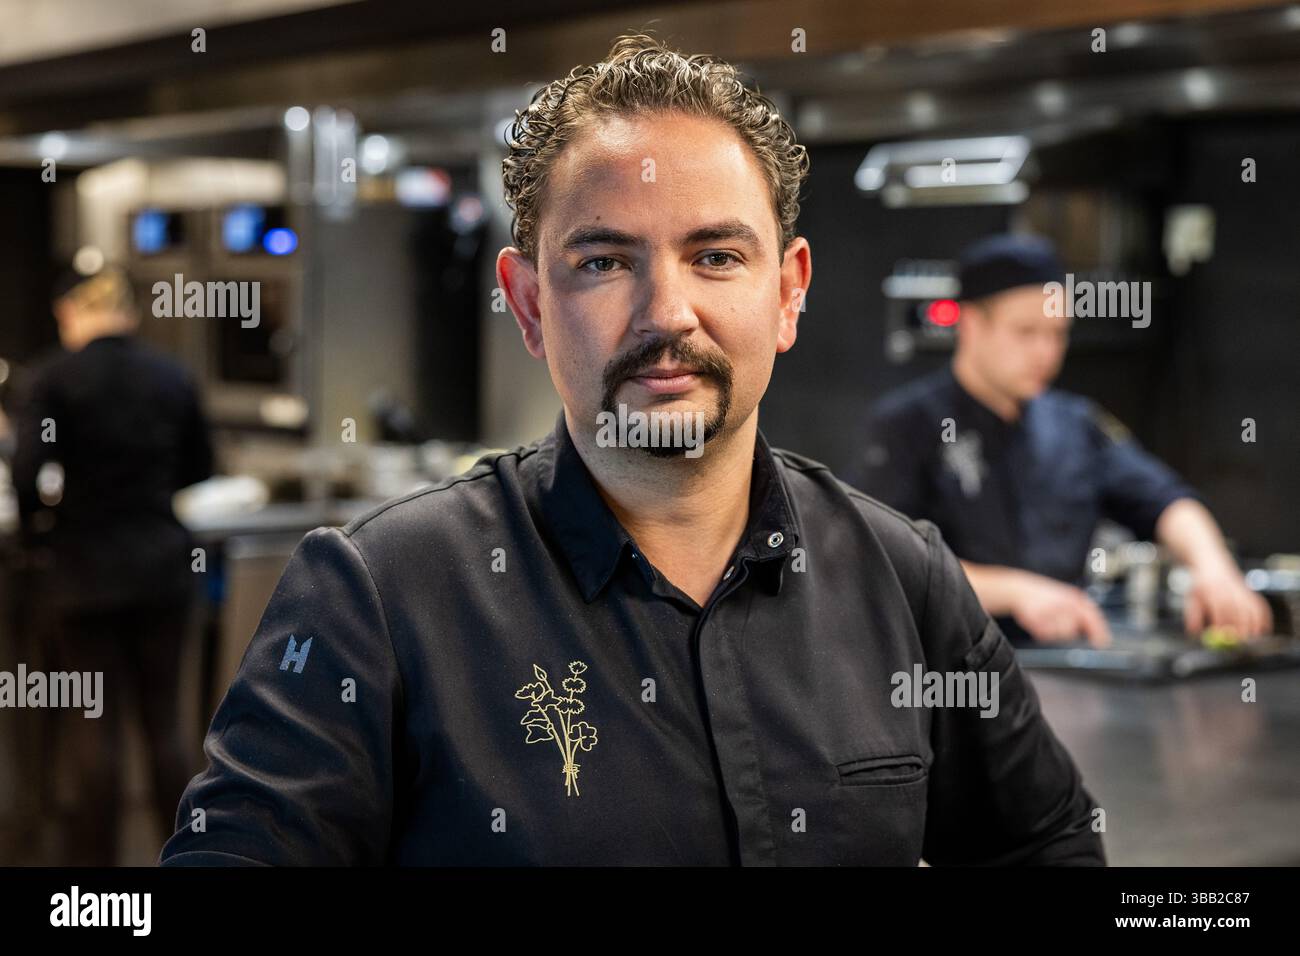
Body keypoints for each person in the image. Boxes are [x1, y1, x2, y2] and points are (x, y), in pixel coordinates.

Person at [160, 34, 1102, 866]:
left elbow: (1050, 843)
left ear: (788, 294)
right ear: (530, 304)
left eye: (716, 257)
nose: (666, 313)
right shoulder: (378, 599)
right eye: (605, 262)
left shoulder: (905, 579)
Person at [844, 233, 1272, 648]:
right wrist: (1016, 592)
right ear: (971, 324)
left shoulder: (1076, 423)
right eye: (1026, 332)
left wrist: (1214, 568)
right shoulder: (906, 425)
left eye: (1057, 333)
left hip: (1065, 660)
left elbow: (1165, 500)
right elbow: (881, 556)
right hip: (949, 668)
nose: (1045, 353)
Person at [11, 265, 214, 864]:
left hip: (82, 574)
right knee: (166, 727)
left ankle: (92, 877)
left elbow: (26, 473)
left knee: (92, 726)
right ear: (128, 313)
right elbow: (200, 466)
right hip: (162, 570)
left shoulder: (52, 378)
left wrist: (39, 528)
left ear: (73, 312)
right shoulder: (171, 375)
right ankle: (188, 855)